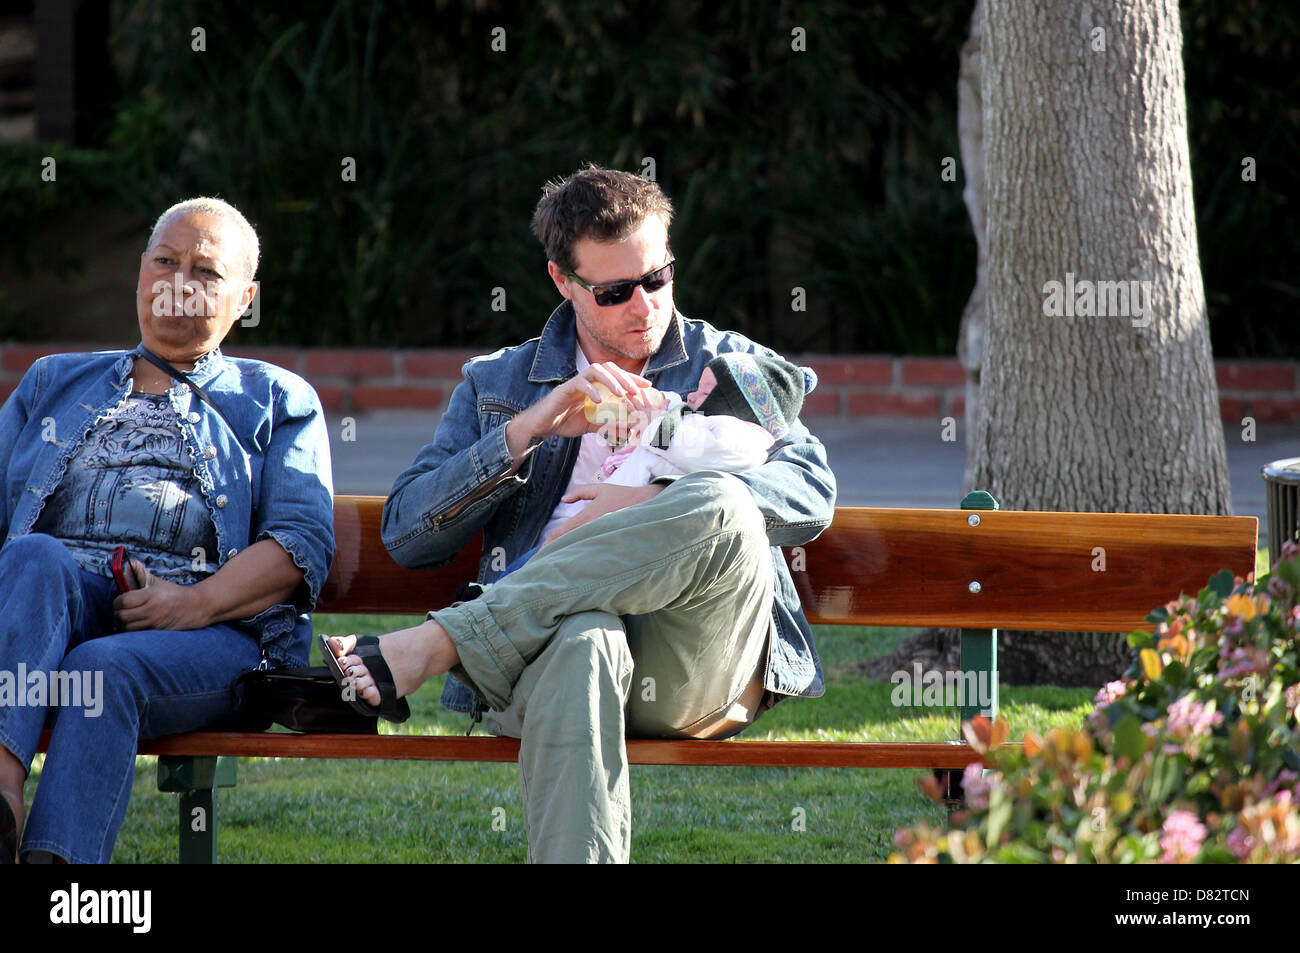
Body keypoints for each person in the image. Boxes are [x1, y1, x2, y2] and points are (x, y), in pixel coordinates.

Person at [325, 166, 836, 863]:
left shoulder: (732, 366)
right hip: (549, 658)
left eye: (658, 278)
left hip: (689, 658)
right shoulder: (499, 383)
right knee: (587, 638)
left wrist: (656, 498)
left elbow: (810, 489)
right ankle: (472, 634)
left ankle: (442, 641)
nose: (645, 306)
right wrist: (525, 431)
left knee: (720, 500)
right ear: (562, 281)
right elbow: (406, 533)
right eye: (616, 291)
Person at [0, 197, 335, 864]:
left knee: (104, 666)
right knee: (35, 556)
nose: (179, 282)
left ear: (245, 298)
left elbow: (301, 540)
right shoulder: (55, 381)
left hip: (215, 639)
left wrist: (190, 604)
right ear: (140, 274)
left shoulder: (275, 399)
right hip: (51, 614)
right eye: (165, 261)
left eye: (206, 272)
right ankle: (2, 794)